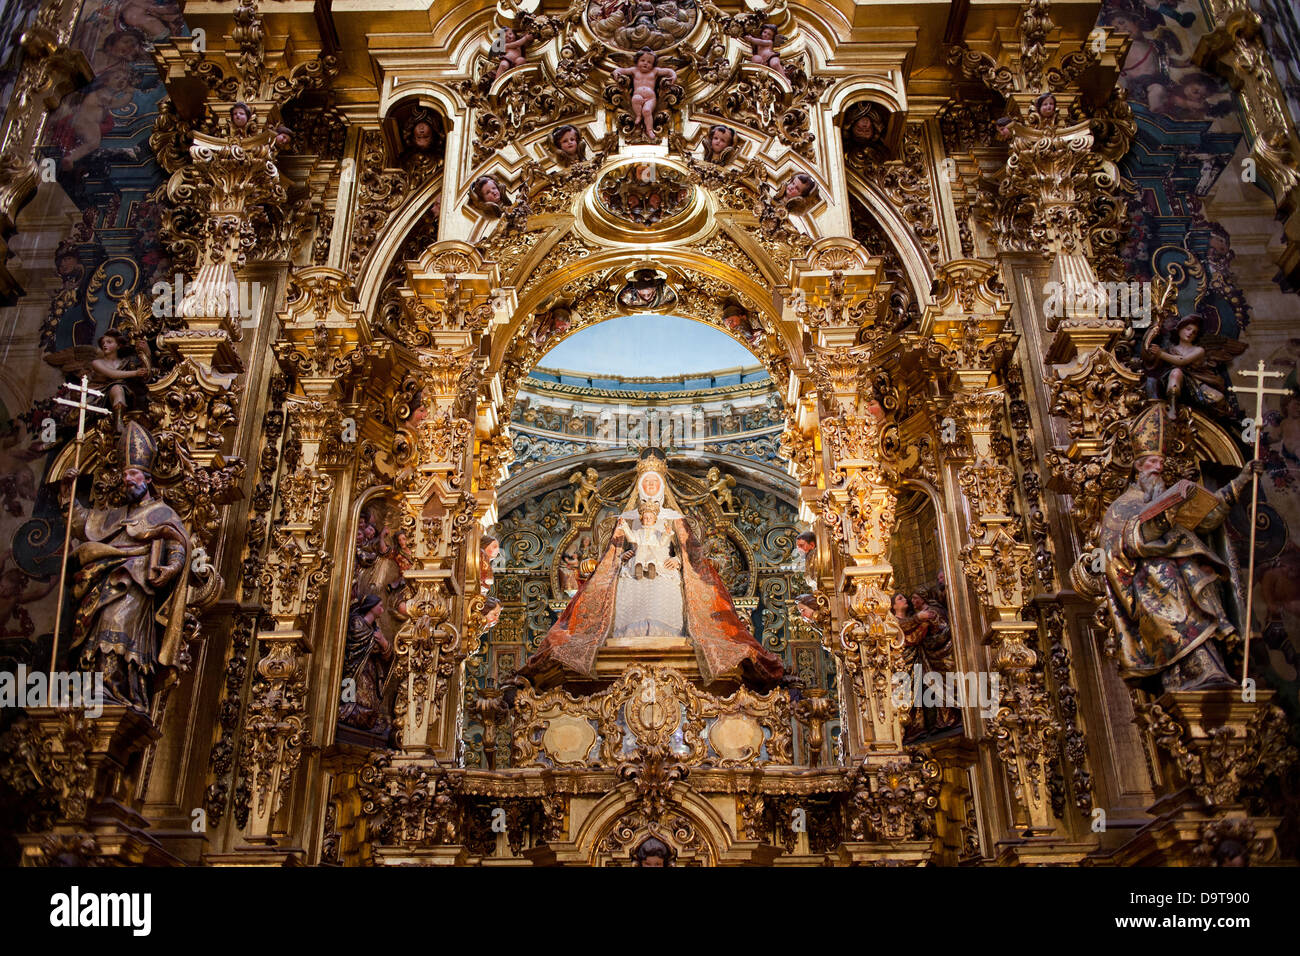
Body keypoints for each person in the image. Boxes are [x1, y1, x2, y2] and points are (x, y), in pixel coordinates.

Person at [520, 448, 784, 689]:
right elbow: (616, 549)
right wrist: (619, 558)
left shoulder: (674, 518)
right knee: (627, 582)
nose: (649, 485)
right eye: (645, 481)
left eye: (653, 482)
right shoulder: (627, 518)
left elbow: (691, 553)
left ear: (660, 485)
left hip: (665, 568)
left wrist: (679, 562)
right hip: (634, 566)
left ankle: (666, 633)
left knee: (665, 584)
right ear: (640, 485)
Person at [1098, 405, 1265, 691]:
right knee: (1170, 577)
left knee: (1199, 571)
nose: (1159, 468)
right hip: (1152, 581)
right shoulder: (1122, 506)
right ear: (1138, 467)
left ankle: (1211, 666)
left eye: (1161, 462)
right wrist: (1161, 519)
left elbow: (1207, 516)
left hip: (1187, 573)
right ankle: (1192, 668)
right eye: (1152, 462)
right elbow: (1122, 545)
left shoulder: (1168, 495)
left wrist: (1241, 481)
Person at [59, 421, 189, 710]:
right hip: (104, 581)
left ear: (147, 479)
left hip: (136, 585)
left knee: (118, 631)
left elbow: (178, 543)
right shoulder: (115, 515)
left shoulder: (162, 513)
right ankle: (94, 687)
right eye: (125, 475)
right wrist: (69, 492)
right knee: (95, 631)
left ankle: (119, 689)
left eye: (132, 474)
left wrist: (170, 568)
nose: (127, 479)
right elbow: (81, 523)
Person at [613, 48, 677, 140]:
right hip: (637, 95)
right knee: (636, 99)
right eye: (642, 60)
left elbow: (668, 71)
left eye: (649, 62)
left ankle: (649, 130)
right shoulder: (634, 70)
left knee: (647, 111)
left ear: (653, 64)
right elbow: (621, 70)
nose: (646, 63)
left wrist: (673, 76)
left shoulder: (655, 71)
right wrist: (616, 73)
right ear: (637, 61)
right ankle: (638, 115)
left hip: (650, 98)